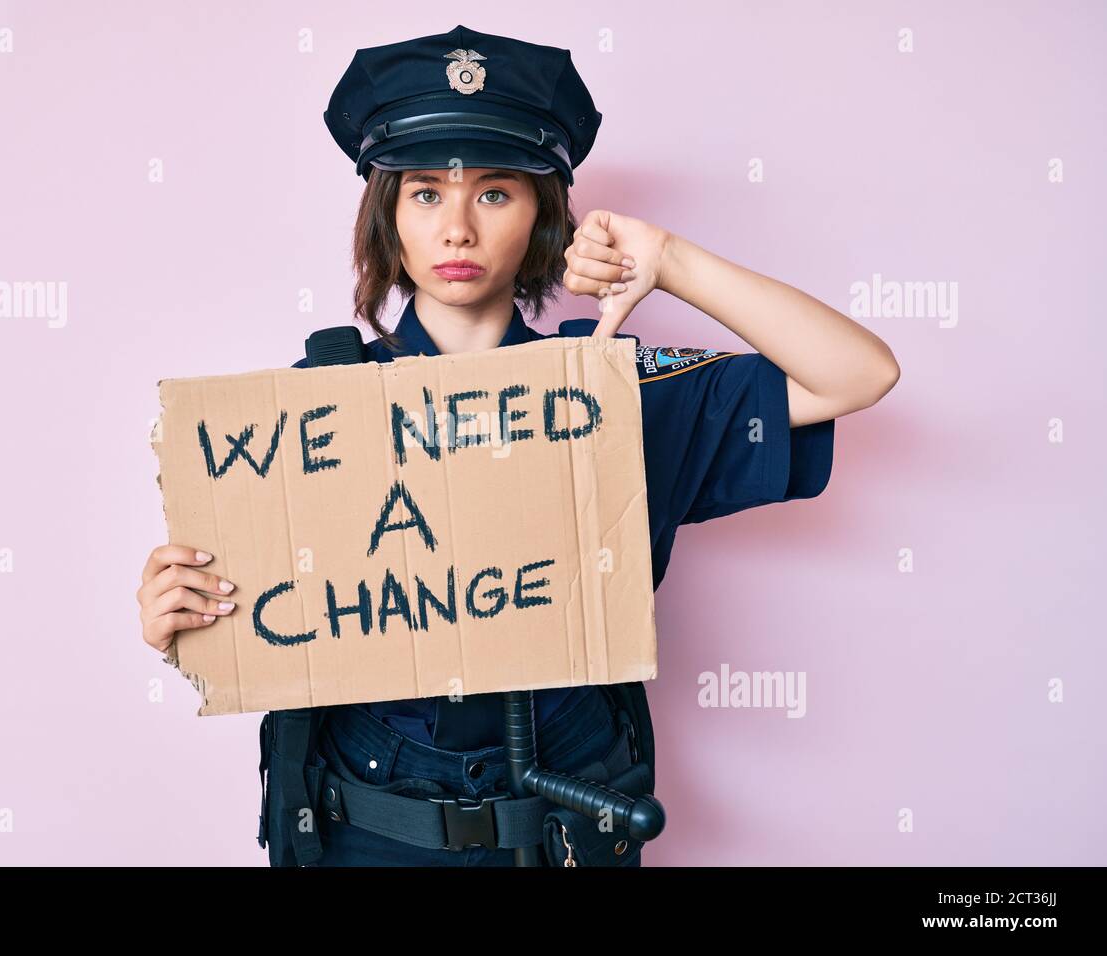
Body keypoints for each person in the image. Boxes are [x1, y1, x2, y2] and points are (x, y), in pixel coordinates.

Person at [136, 24, 900, 866]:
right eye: (426, 193)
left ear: (543, 217)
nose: (457, 229)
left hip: (563, 823)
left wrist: (672, 260)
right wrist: (183, 614)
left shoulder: (615, 392)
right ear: (388, 216)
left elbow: (855, 375)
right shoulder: (313, 409)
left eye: (494, 193)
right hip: (367, 829)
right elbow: (266, 618)